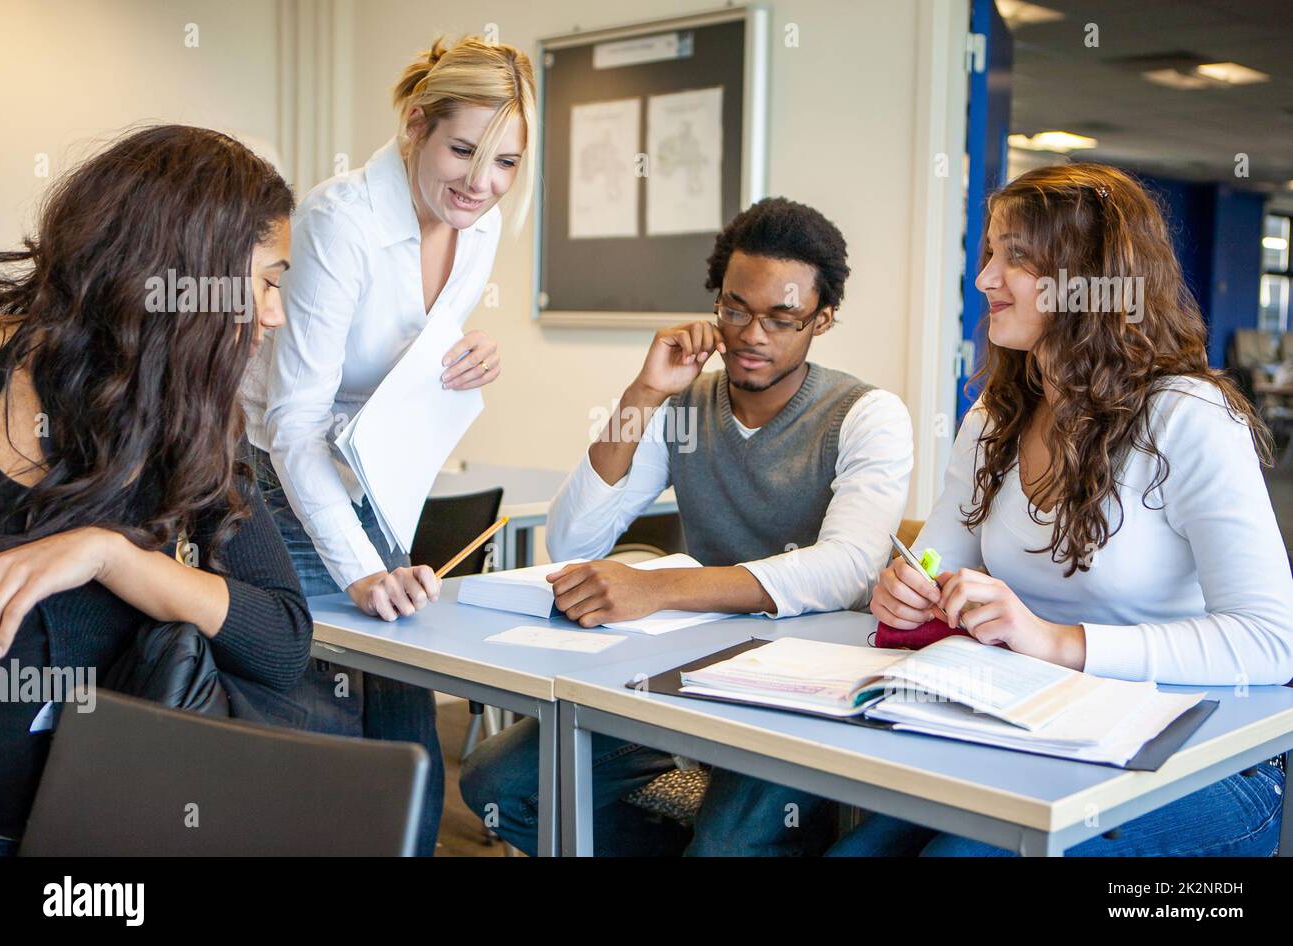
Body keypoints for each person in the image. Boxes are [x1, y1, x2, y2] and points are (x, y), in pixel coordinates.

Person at [830, 163, 1293, 857]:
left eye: (1016, 256)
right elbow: (937, 562)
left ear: (1090, 279)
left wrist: (1057, 642)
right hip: (1035, 727)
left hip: (1202, 756)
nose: (986, 279)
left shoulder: (1189, 417)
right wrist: (911, 589)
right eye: (990, 253)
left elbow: (1270, 641)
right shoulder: (994, 417)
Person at [460, 196, 915, 856]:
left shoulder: (867, 415)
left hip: (809, 690)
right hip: (688, 668)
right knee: (500, 785)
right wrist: (644, 395)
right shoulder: (686, 403)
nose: (752, 335)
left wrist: (663, 589)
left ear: (823, 319)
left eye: (782, 319)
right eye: (735, 309)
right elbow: (575, 539)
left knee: (728, 844)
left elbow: (847, 567)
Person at [240, 35, 537, 855]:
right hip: (275, 471)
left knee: (404, 703)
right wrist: (361, 568)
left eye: (506, 162)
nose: (481, 184)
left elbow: (405, 359)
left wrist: (470, 353)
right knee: (325, 702)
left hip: (368, 472)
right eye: (463, 150)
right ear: (416, 124)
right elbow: (294, 424)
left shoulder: (480, 226)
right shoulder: (341, 222)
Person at [0, 124, 310, 856]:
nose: (275, 312)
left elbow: (281, 639)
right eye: (265, 281)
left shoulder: (189, 418)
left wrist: (111, 556)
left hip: (94, 833)